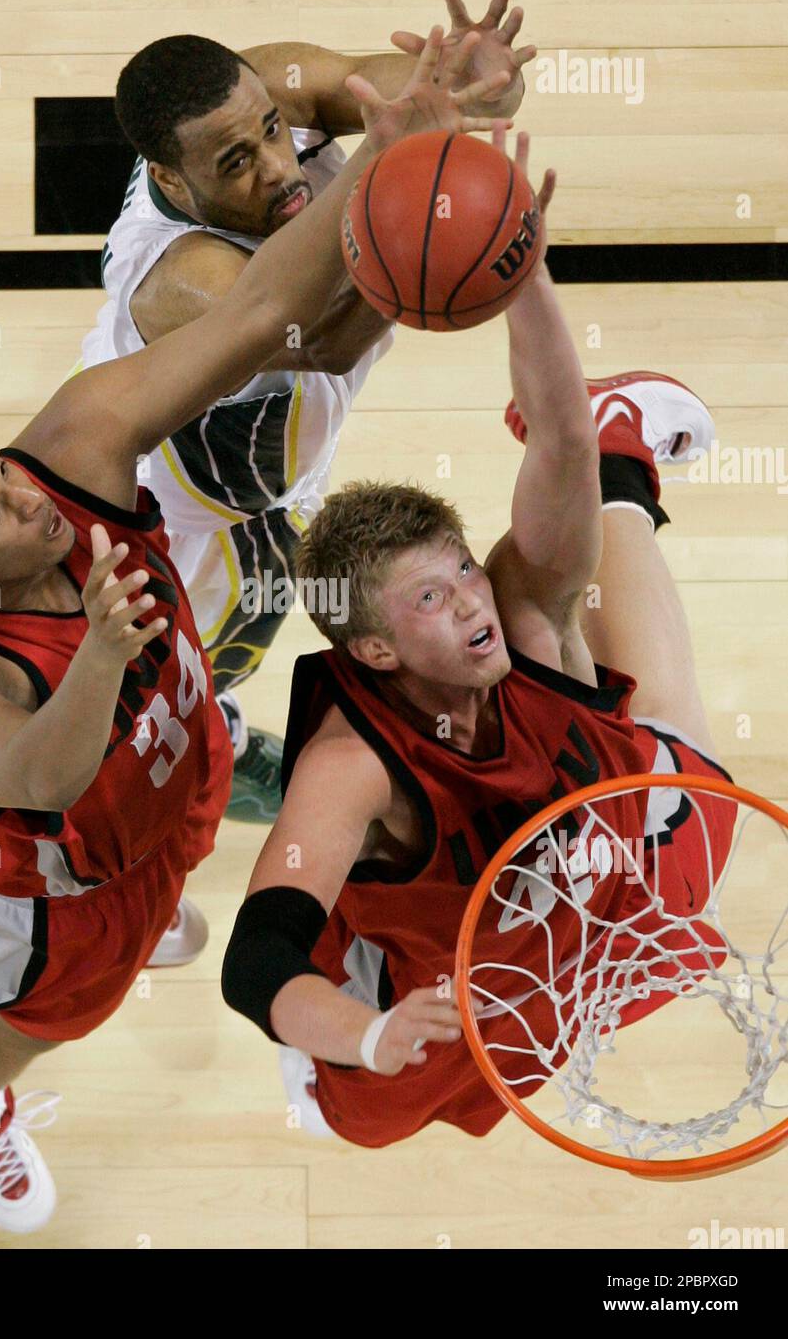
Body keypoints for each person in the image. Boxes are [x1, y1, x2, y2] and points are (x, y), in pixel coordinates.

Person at [0, 32, 506, 1232]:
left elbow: (264, 310)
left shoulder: (76, 445)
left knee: (197, 769)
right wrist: (103, 653)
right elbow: (39, 773)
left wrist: (408, 133)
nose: (31, 494)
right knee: (33, 1016)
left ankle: (146, 895)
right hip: (47, 877)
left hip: (161, 773)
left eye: (5, 467)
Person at [222, 128, 728, 1148]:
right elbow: (259, 960)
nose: (470, 601)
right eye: (430, 599)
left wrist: (525, 268)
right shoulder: (350, 768)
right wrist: (364, 1038)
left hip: (601, 876)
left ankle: (627, 440)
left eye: (461, 567)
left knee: (684, 753)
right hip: (448, 990)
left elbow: (555, 439)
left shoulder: (518, 622)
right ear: (372, 649)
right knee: (363, 1117)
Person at [78, 0, 535, 822]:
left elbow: (414, 88)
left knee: (245, 629)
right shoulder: (177, 276)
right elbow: (325, 335)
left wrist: (478, 80)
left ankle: (203, 720)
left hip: (282, 455)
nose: (279, 165)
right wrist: (397, 168)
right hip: (194, 503)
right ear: (168, 177)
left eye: (269, 131)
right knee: (181, 662)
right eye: (237, 164)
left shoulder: (260, 93)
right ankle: (152, 786)